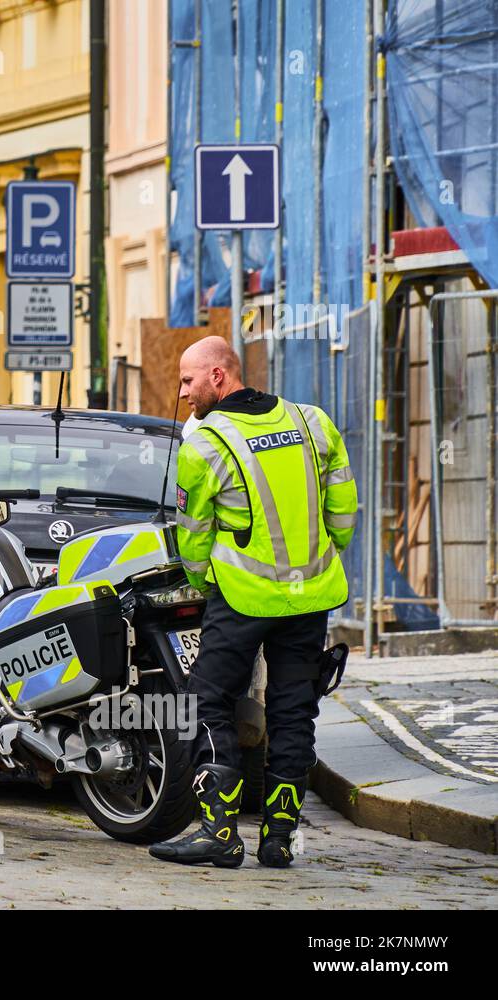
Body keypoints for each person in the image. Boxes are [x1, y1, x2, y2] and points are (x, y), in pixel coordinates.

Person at [149, 336, 357, 869]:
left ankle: (218, 831)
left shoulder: (207, 444)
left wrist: (202, 582)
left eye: (189, 380)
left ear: (219, 377)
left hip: (241, 599)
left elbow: (193, 535)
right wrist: (327, 550)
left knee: (204, 701)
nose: (182, 392)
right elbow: (343, 503)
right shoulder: (312, 422)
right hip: (311, 598)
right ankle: (278, 838)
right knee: (293, 710)